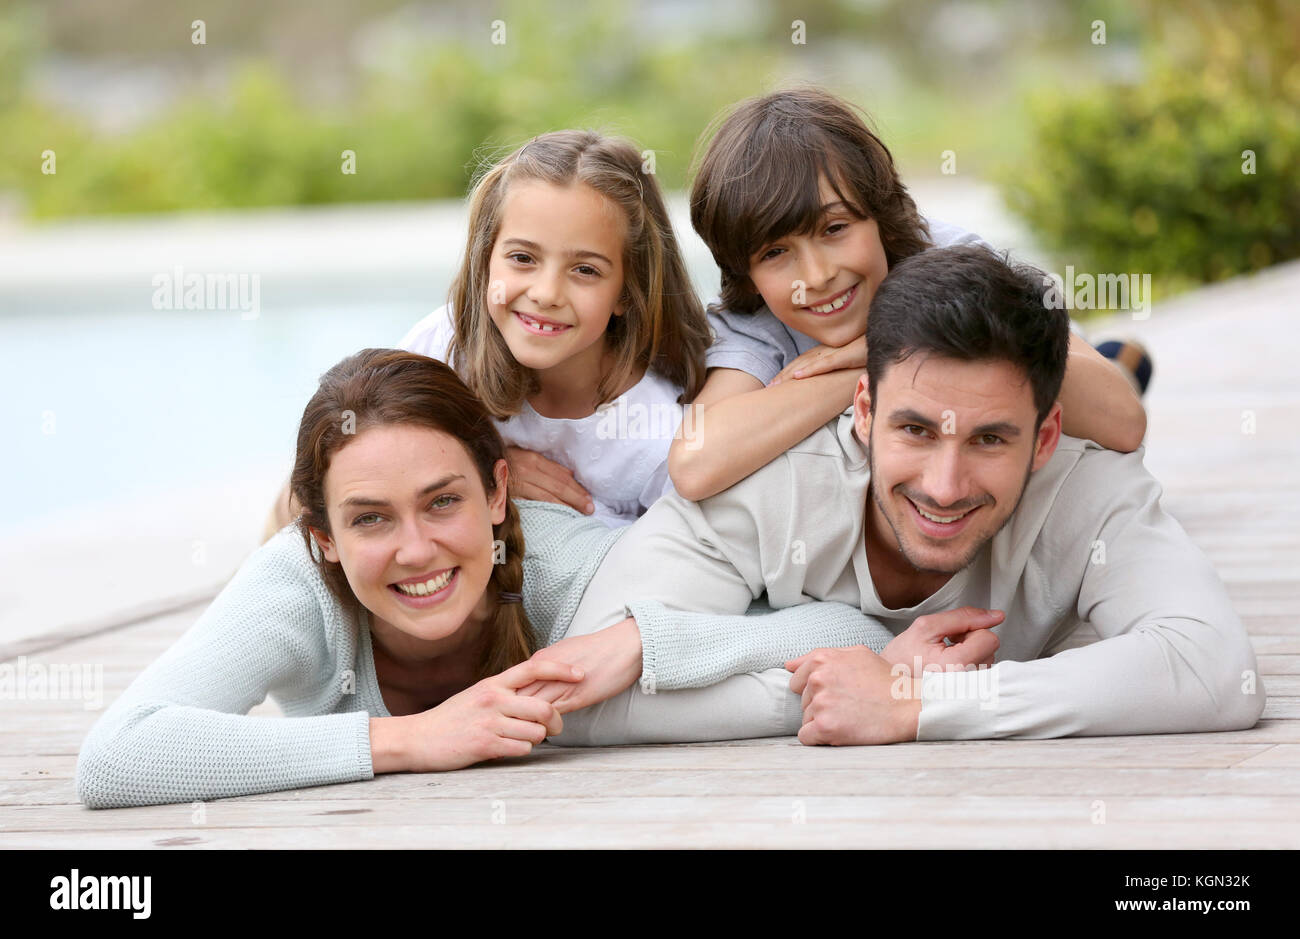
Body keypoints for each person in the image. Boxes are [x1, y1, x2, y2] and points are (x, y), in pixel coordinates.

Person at [76, 349, 993, 809]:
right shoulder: (297, 588)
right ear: (320, 535)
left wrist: (639, 644)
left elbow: (830, 631)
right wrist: (415, 740)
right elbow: (119, 754)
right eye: (368, 519)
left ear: (498, 489)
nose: (417, 549)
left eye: (443, 502)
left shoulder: (560, 566)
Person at [543, 245, 1262, 748]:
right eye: (915, 429)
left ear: (1044, 440)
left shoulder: (1089, 482)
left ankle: (1116, 366)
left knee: (1113, 392)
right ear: (861, 409)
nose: (944, 487)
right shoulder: (775, 481)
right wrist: (860, 670)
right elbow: (583, 694)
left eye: (989, 439)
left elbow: (1216, 669)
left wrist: (917, 701)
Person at [669, 86, 1149, 501]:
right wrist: (855, 374)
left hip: (1057, 344)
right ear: (745, 272)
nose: (815, 276)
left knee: (1108, 379)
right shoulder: (759, 321)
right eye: (775, 252)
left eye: (835, 228)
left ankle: (1121, 361)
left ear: (881, 213)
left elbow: (1122, 423)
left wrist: (887, 354)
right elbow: (695, 465)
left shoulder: (950, 260)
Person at [262, 130, 711, 537]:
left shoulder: (657, 429)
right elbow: (335, 477)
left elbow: (668, 567)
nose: (547, 293)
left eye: (585, 270)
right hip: (436, 580)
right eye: (522, 258)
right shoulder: (445, 345)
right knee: (306, 498)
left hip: (566, 602)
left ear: (627, 293)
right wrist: (484, 470)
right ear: (486, 260)